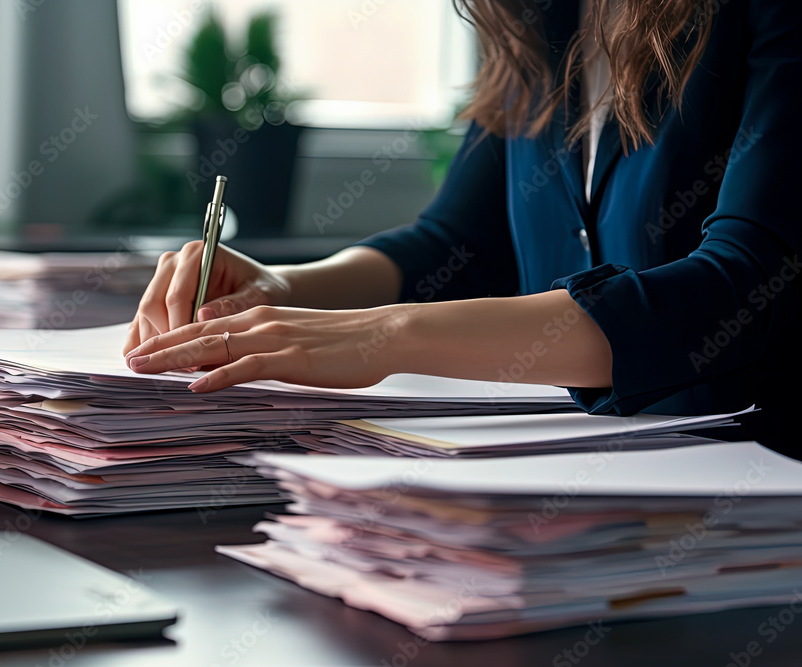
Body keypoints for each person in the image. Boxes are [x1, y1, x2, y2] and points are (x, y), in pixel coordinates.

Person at [123, 0, 801, 454]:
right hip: (578, 489)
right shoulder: (535, 21)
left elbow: (739, 288)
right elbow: (458, 246)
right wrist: (285, 287)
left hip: (750, 502)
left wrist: (386, 335)